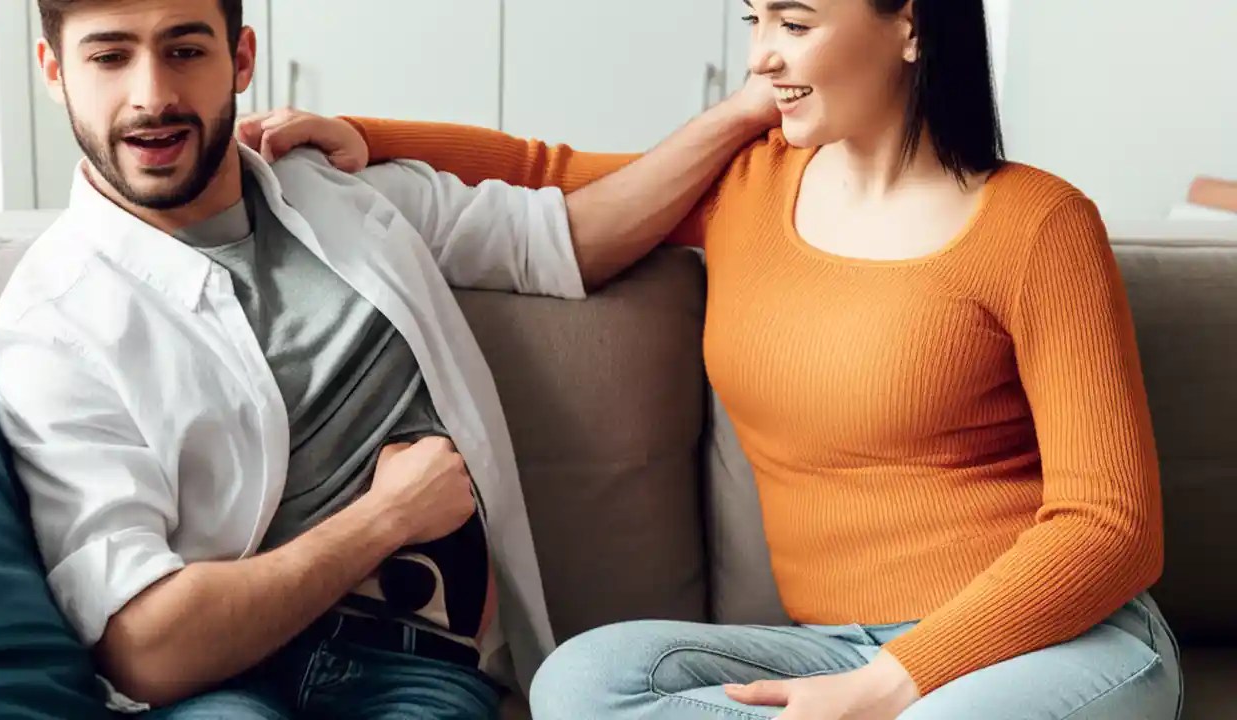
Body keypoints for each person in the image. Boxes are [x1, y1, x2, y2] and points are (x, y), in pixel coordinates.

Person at [241, 0, 1184, 718]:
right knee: (583, 682)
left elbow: (1112, 528)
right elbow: (550, 174)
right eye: (755, 18)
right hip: (837, 648)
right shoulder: (749, 184)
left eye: (797, 21)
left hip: (1050, 644)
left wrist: (894, 685)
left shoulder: (1040, 225)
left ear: (911, 26)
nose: (761, 54)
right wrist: (370, 136)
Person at [0, 0, 775, 717]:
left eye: (185, 50)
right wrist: (387, 517)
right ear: (54, 71)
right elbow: (148, 650)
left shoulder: (337, 191)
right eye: (109, 56)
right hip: (217, 687)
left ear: (242, 60)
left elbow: (562, 241)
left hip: (414, 671)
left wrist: (748, 108)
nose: (151, 93)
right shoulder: (53, 325)